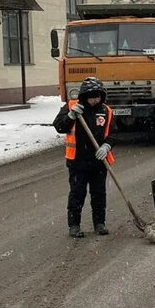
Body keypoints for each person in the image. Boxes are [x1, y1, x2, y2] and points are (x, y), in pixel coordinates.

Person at [52, 77, 116, 238]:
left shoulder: (106, 111)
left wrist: (107, 146)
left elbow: (113, 133)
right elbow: (59, 126)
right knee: (77, 193)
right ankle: (74, 225)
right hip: (77, 161)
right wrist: (71, 116)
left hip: (99, 161)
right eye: (91, 96)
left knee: (99, 193)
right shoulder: (72, 107)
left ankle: (99, 223)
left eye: (98, 96)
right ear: (84, 96)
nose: (94, 100)